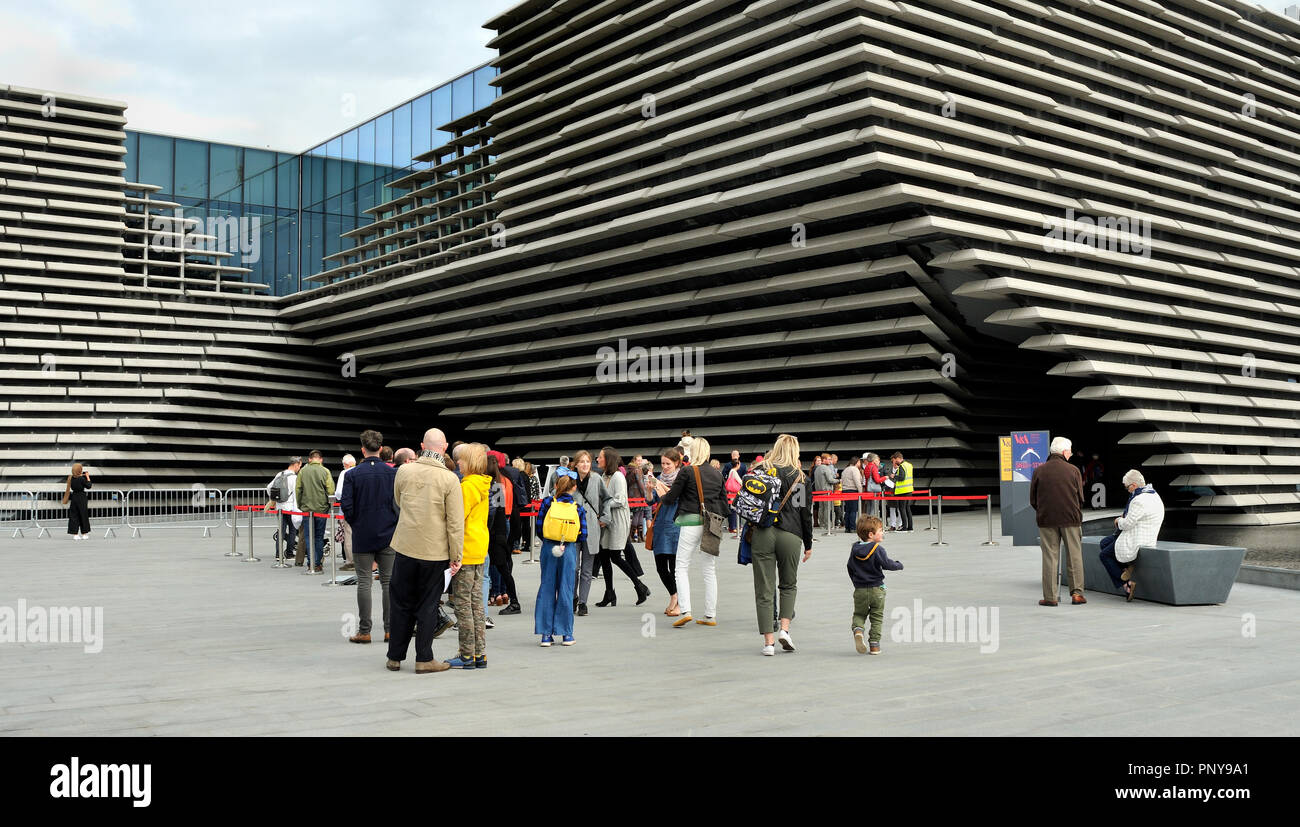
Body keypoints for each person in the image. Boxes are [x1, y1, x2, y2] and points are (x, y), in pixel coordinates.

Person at [385, 428, 464, 674]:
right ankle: (424, 658)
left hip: (405, 546)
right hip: (435, 551)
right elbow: (455, 522)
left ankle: (395, 657)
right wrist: (456, 555)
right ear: (445, 447)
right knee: (428, 605)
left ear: (422, 445)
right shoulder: (450, 479)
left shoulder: (404, 470)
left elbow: (397, 500)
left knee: (400, 603)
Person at [747, 434, 813, 655]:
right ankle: (785, 629)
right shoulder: (800, 478)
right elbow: (804, 513)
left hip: (763, 532)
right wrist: (808, 542)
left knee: (764, 588)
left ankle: (768, 642)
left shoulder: (761, 470)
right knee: (788, 584)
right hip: (791, 534)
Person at [658, 437, 727, 628]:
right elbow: (724, 502)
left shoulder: (688, 471)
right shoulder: (717, 473)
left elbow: (672, 498)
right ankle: (710, 614)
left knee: (681, 566)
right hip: (711, 523)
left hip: (690, 521)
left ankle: (686, 610)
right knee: (709, 569)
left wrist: (661, 493)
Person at [340, 430, 398, 644]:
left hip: (363, 533)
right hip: (388, 533)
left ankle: (365, 630)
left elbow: (347, 505)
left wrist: (356, 523)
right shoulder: (392, 473)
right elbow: (398, 503)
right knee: (388, 582)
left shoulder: (352, 474)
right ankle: (390, 629)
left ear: (362, 449)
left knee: (364, 581)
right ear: (381, 449)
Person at [1030, 436, 1086, 606]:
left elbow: (1033, 499)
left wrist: (1043, 511)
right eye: (1069, 451)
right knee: (1074, 555)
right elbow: (1080, 498)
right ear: (1063, 452)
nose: (1071, 454)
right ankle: (1077, 594)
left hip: (1047, 520)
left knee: (1049, 557)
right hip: (1071, 519)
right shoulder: (1073, 470)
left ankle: (1050, 597)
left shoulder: (1039, 470)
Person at [534, 468, 587, 646]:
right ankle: (566, 634)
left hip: (549, 547)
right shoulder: (577, 508)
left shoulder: (548, 503)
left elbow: (540, 528)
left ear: (556, 485)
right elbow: (583, 535)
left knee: (547, 587)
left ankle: (545, 635)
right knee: (566, 588)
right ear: (574, 488)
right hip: (569, 549)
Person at [593, 446, 651, 607]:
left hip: (617, 520)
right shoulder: (604, 475)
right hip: (606, 520)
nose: (597, 459)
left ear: (608, 459)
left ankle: (639, 586)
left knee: (615, 556)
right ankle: (609, 593)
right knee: (604, 556)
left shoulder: (617, 476)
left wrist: (602, 505)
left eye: (600, 457)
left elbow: (620, 500)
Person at [1100, 470, 1165, 601]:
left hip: (1138, 538)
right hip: (1141, 533)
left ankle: (1126, 584)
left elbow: (1127, 524)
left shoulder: (1139, 500)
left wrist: (1118, 521)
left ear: (1134, 485)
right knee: (1104, 543)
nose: (1127, 490)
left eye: (1127, 487)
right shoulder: (1153, 494)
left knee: (1104, 555)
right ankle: (1125, 569)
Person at [849, 515, 904, 655]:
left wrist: (856, 581)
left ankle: (858, 630)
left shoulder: (854, 549)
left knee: (859, 614)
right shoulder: (878, 549)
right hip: (877, 589)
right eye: (881, 530)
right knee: (877, 617)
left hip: (860, 589)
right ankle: (874, 645)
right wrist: (898, 565)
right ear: (871, 534)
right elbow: (887, 564)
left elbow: (849, 567)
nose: (883, 532)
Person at [571, 450, 611, 617]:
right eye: (582, 462)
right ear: (576, 464)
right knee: (573, 568)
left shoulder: (596, 479)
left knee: (587, 570)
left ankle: (583, 603)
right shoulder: (569, 479)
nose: (585, 464)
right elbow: (555, 495)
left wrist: (605, 516)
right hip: (572, 528)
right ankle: (572, 597)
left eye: (587, 461)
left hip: (592, 528)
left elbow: (607, 498)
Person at [646, 448, 684, 616]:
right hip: (660, 525)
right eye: (662, 464)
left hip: (676, 525)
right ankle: (674, 595)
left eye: (668, 463)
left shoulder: (682, 479)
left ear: (676, 463)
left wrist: (665, 491)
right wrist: (649, 490)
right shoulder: (659, 478)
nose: (665, 467)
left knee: (675, 567)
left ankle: (679, 601)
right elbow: (650, 501)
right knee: (661, 566)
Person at [486, 453, 521, 616]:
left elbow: (494, 512)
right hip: (503, 526)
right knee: (503, 565)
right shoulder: (502, 482)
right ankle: (504, 594)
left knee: (498, 565)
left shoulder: (494, 486)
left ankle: (500, 594)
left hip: (495, 530)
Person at [295, 450, 335, 573]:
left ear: (310, 459)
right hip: (321, 510)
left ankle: (310, 563)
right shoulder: (325, 471)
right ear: (321, 459)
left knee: (308, 537)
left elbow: (298, 490)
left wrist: (301, 505)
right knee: (319, 537)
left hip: (307, 510)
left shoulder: (302, 471)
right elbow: (331, 490)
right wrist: (328, 505)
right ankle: (318, 563)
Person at [265, 457, 302, 562]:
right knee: (292, 531)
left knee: (281, 530)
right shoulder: (294, 478)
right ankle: (289, 553)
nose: (299, 468)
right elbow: (296, 495)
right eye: (299, 466)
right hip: (290, 508)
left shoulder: (279, 474)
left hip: (279, 507)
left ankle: (278, 554)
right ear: (296, 464)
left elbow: (269, 487)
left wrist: (275, 499)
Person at [334, 454, 357, 571]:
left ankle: (350, 562)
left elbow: (338, 493)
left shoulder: (344, 473)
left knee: (348, 535)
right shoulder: (359, 471)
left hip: (347, 509)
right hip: (360, 509)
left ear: (346, 464)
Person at [63, 463, 92, 539]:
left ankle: (75, 534)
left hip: (74, 497)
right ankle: (84, 533)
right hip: (81, 498)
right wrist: (88, 477)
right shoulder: (82, 479)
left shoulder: (71, 478)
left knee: (74, 516)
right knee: (83, 515)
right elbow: (89, 486)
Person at [889, 451, 914, 532]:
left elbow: (902, 477)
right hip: (909, 489)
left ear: (899, 458)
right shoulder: (909, 465)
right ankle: (910, 527)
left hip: (902, 491)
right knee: (907, 508)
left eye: (896, 460)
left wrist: (894, 476)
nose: (896, 462)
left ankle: (904, 527)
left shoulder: (902, 466)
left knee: (902, 508)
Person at [813, 452, 837, 536]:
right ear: (824, 460)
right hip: (826, 491)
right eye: (829, 459)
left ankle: (822, 523)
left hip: (819, 491)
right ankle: (827, 525)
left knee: (821, 508)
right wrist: (838, 480)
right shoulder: (826, 468)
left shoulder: (817, 469)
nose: (830, 461)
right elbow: (830, 480)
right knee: (827, 508)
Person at [841, 456, 864, 534]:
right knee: (853, 510)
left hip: (845, 490)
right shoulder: (854, 469)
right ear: (857, 462)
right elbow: (857, 481)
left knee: (847, 510)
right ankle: (852, 527)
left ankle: (847, 527)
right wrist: (861, 492)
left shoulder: (845, 469)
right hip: (852, 490)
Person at [863, 453, 886, 519]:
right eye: (877, 460)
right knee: (874, 507)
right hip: (874, 490)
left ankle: (867, 522)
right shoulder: (874, 467)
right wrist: (885, 478)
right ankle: (872, 523)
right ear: (873, 460)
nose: (878, 461)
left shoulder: (867, 467)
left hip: (868, 488)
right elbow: (877, 480)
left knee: (869, 507)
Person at [724, 463, 743, 536]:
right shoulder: (734, 472)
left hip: (730, 493)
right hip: (734, 494)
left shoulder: (730, 471)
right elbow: (740, 482)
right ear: (737, 464)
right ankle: (733, 527)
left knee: (732, 509)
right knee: (734, 510)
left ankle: (732, 526)